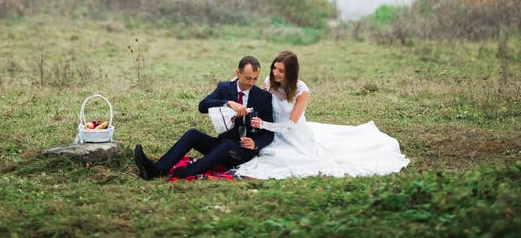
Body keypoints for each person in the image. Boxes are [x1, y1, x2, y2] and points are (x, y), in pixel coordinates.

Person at [233, 50, 410, 180]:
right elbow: (257, 102)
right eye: (274, 68)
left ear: (291, 72)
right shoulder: (268, 82)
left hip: (292, 134)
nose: (275, 73)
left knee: (286, 159)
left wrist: (263, 124)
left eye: (281, 71)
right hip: (269, 129)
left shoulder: (301, 90)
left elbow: (291, 124)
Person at [134, 55, 275, 180]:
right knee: (192, 134)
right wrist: (227, 103)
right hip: (220, 146)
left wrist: (255, 144)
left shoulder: (263, 97)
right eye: (248, 78)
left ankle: (188, 172)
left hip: (241, 153)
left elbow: (269, 132)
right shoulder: (225, 88)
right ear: (238, 73)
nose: (251, 83)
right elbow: (202, 106)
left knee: (229, 145)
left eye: (255, 79)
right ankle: (156, 169)